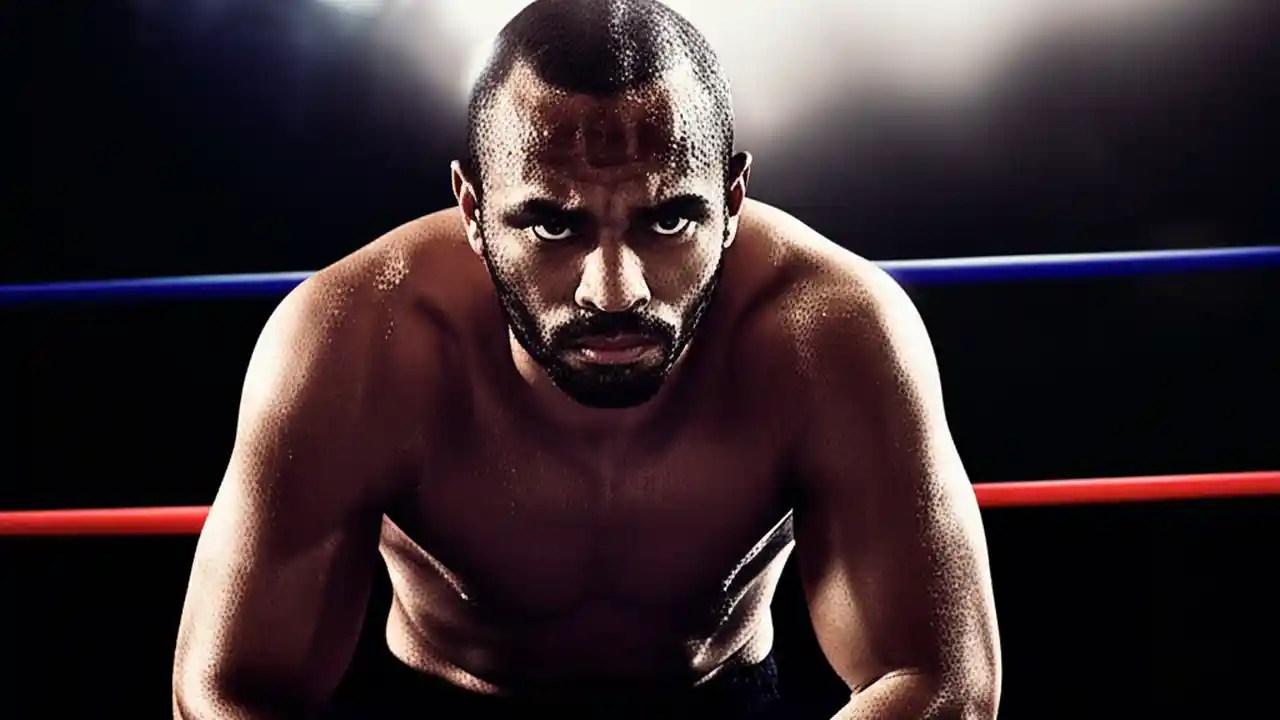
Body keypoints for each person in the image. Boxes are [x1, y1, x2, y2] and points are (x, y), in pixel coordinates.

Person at [171, 1, 1001, 717]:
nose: (613, 290)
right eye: (552, 225)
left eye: (667, 221)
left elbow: (939, 681)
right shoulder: (354, 340)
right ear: (472, 211)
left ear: (732, 202)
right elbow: (228, 691)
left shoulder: (832, 329)